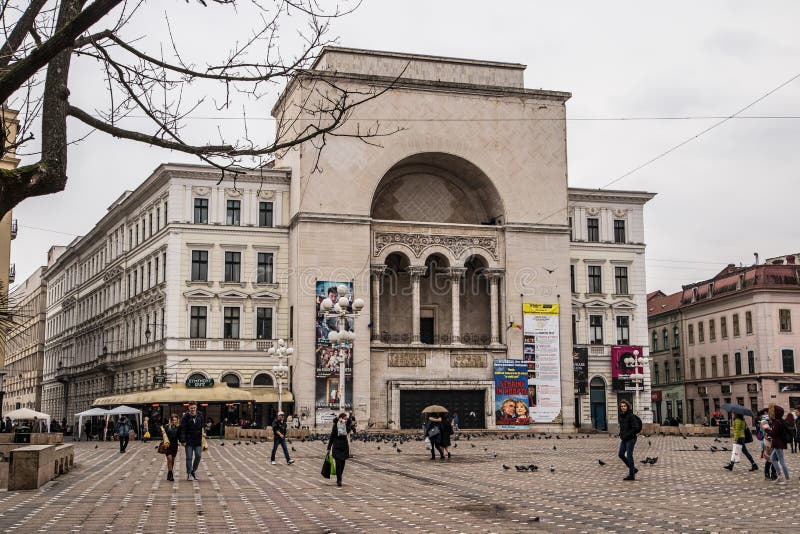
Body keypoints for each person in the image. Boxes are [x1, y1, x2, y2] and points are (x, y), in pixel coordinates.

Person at [179, 401, 205, 481]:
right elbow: (182, 429)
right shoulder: (185, 417)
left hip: (198, 440)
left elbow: (203, 426)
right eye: (191, 408)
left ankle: (194, 471)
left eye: (194, 408)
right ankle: (189, 473)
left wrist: (204, 433)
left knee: (198, 455)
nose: (193, 409)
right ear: (188, 408)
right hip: (188, 440)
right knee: (189, 457)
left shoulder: (200, 415)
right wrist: (183, 440)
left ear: (196, 407)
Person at [763, 405, 790, 483]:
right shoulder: (779, 420)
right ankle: (780, 476)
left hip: (778, 444)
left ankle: (787, 479)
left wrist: (766, 430)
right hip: (778, 443)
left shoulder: (776, 422)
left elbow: (774, 433)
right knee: (772, 458)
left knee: (782, 461)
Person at [617, 400, 641, 481]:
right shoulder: (621, 416)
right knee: (620, 454)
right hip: (624, 438)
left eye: (624, 406)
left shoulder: (631, 416)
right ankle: (633, 469)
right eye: (621, 406)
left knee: (629, 456)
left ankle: (631, 475)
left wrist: (627, 434)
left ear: (627, 407)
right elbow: (622, 427)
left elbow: (635, 428)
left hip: (631, 438)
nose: (623, 407)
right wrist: (621, 434)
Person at [326, 412, 351, 487]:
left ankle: (339, 475)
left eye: (346, 419)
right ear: (341, 418)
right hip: (337, 446)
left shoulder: (346, 425)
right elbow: (332, 437)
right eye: (344, 418)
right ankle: (339, 479)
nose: (345, 420)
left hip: (344, 446)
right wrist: (328, 448)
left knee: (342, 463)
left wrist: (345, 422)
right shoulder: (335, 425)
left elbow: (349, 428)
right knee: (338, 463)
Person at [162, 414, 181, 481]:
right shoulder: (167, 426)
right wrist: (163, 433)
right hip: (167, 444)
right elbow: (164, 435)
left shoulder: (179, 427)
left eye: (175, 420)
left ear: (177, 420)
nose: (174, 421)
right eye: (173, 420)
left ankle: (169, 472)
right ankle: (171, 473)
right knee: (169, 458)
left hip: (174, 445)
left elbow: (180, 436)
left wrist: (182, 441)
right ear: (171, 420)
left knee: (172, 460)